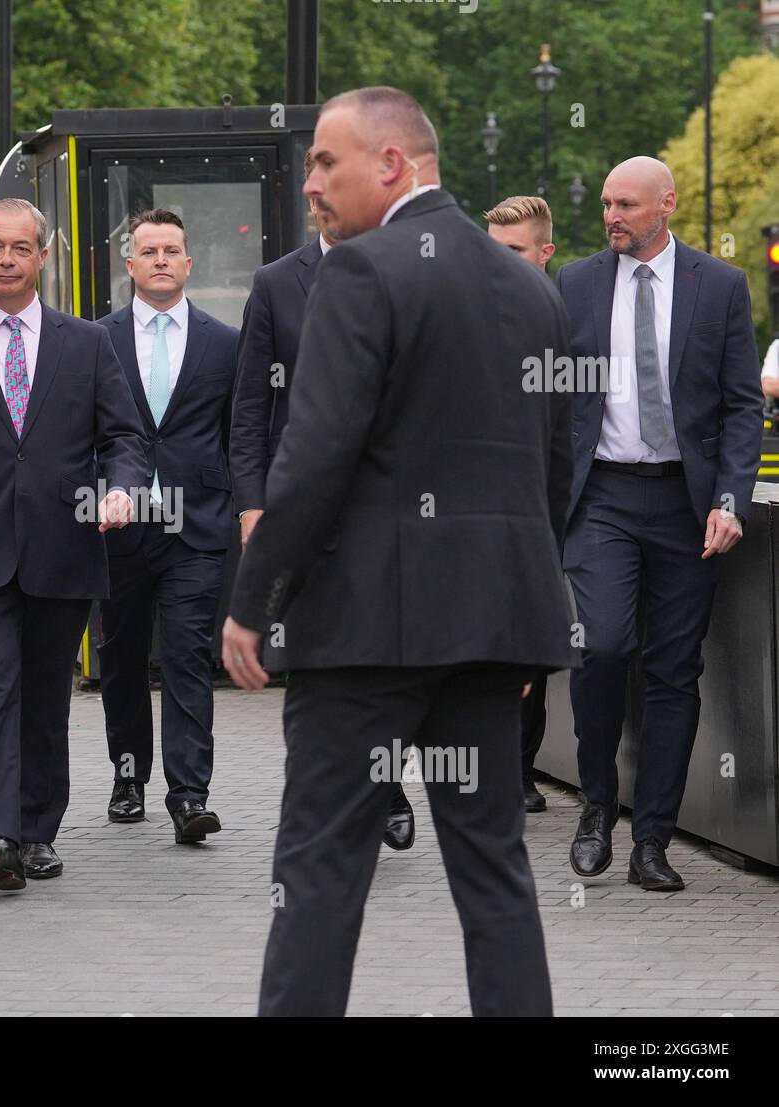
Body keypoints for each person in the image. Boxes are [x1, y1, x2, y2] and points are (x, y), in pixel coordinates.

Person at [222, 87, 574, 1016]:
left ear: (392, 164)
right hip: (494, 631)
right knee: (496, 877)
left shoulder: (363, 273)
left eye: (325, 163)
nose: (309, 186)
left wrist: (251, 601)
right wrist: (531, 605)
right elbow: (555, 470)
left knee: (320, 877)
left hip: (365, 633)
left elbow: (313, 458)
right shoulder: (532, 289)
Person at [0, 197, 148, 890]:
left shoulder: (85, 343)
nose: (7, 259)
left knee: (45, 695)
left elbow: (125, 437)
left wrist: (121, 488)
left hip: (64, 549)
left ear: (43, 258)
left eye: (21, 248)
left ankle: (39, 830)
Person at [559, 157, 761, 893]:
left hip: (686, 502)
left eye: (626, 204)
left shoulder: (720, 286)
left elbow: (744, 404)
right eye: (606, 202)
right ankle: (595, 807)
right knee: (603, 645)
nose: (611, 215)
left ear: (666, 205)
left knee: (676, 670)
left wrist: (730, 497)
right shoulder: (577, 282)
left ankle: (653, 839)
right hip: (604, 498)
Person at [229, 154, 415, 853]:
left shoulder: (400, 272)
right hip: (300, 511)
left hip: (384, 509)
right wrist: (252, 505)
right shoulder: (277, 284)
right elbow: (249, 408)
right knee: (310, 661)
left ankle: (387, 784)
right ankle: (318, 796)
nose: (316, 193)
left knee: (380, 654)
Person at [96, 208, 239, 842]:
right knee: (122, 657)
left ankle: (189, 795)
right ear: (129, 265)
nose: (159, 259)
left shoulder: (224, 343)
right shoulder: (96, 339)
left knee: (185, 658)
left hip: (195, 526)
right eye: (147, 250)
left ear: (188, 263)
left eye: (171, 250)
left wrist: (242, 503)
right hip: (118, 525)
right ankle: (129, 779)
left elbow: (242, 434)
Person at [486, 193, 557, 814]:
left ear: (544, 254)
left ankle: (521, 764)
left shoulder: (567, 318)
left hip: (549, 506)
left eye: (511, 252)